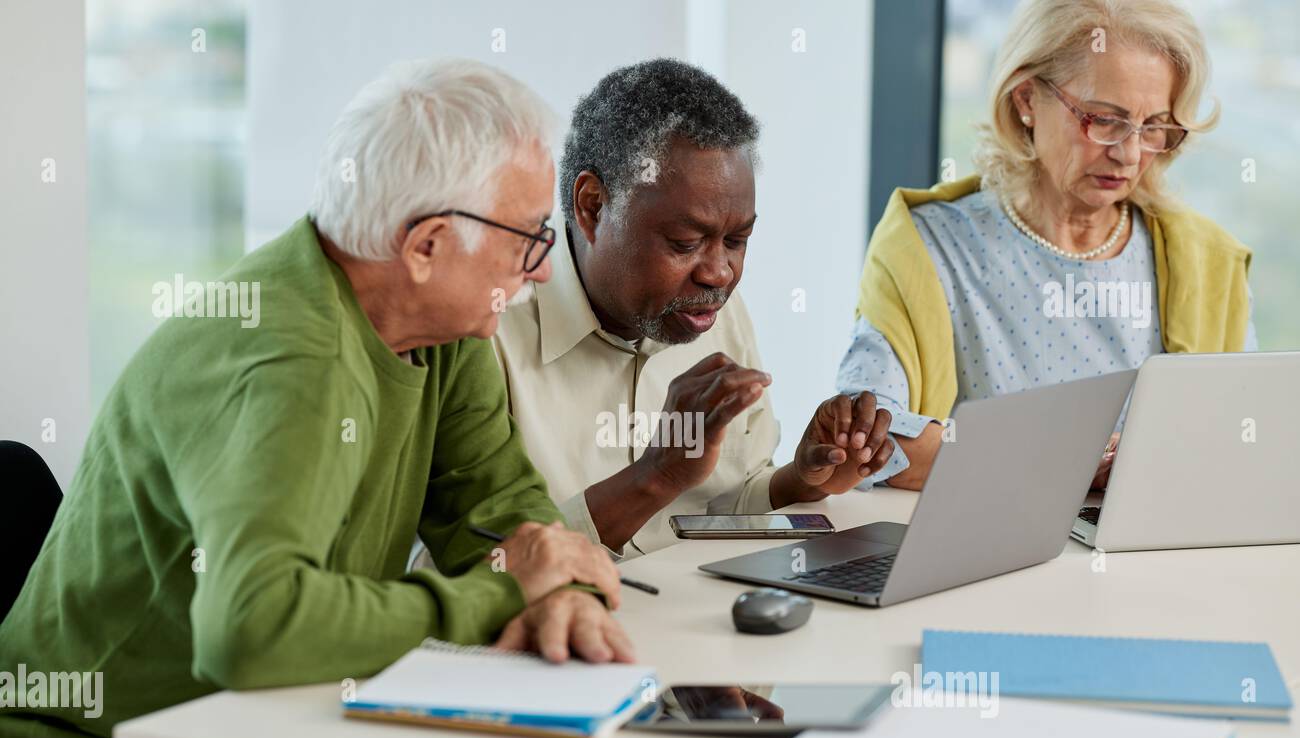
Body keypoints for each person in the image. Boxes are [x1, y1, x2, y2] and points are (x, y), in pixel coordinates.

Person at [0, 58, 629, 738]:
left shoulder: (439, 328)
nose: (544, 268)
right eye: (529, 238)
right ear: (428, 244)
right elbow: (250, 631)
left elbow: (507, 512)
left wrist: (564, 593)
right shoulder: (286, 360)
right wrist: (502, 591)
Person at [481, 59, 895, 560]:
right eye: (684, 241)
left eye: (738, 239)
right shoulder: (488, 329)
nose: (720, 273)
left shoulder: (710, 308)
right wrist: (655, 476)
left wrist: (801, 480)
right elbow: (483, 566)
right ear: (592, 207)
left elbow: (721, 507)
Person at [837, 0, 1257, 492]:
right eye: (1104, 120)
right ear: (1026, 99)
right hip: (982, 556)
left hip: (1154, 558)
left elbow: (1244, 442)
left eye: (1154, 127)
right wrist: (1073, 460)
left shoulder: (1207, 261)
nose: (1128, 153)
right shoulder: (928, 245)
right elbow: (868, 439)